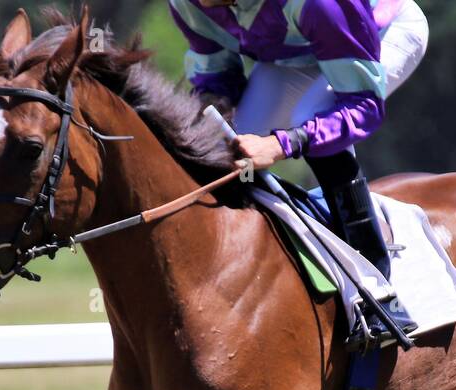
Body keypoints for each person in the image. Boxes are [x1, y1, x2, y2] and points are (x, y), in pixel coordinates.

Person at [170, 0, 429, 341]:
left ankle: (377, 292)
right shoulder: (187, 5)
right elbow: (218, 79)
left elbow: (362, 105)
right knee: (232, 142)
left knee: (311, 113)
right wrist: (209, 120)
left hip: (378, 34)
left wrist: (281, 145)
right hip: (299, 53)